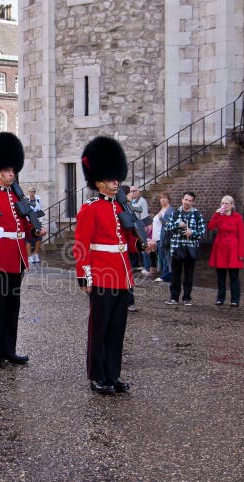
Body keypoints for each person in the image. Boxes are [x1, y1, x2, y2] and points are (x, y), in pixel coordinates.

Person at [74, 137, 144, 395]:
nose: (116, 183)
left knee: (117, 330)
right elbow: (81, 244)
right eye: (111, 179)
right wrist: (85, 275)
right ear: (99, 181)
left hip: (122, 274)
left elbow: (127, 241)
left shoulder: (122, 206)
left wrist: (141, 243)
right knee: (99, 328)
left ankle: (113, 375)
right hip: (102, 275)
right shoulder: (90, 209)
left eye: (117, 179)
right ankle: (97, 375)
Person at [0, 132, 46, 368]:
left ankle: (9, 348)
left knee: (13, 304)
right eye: (8, 171)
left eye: (13, 171)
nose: (12, 174)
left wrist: (36, 231)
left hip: (17, 256)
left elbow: (25, 224)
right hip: (0, 256)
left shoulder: (18, 197)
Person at [164, 192, 206, 305]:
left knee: (189, 275)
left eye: (190, 200)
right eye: (186, 199)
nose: (187, 202)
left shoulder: (197, 215)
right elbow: (167, 227)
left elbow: (202, 231)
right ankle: (174, 297)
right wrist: (178, 225)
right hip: (177, 248)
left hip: (190, 249)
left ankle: (187, 298)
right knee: (175, 275)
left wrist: (192, 232)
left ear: (193, 202)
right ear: (182, 199)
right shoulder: (175, 213)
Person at [208, 195, 244, 307]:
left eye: (227, 203)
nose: (224, 205)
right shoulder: (219, 215)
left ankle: (235, 299)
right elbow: (210, 227)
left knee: (234, 276)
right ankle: (220, 298)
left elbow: (241, 235)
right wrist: (216, 214)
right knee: (221, 276)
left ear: (232, 205)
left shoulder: (237, 217)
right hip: (220, 248)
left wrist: (241, 253)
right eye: (222, 203)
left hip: (233, 248)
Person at [152, 192, 174, 282]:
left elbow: (170, 225)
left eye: (165, 198)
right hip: (157, 237)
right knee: (161, 256)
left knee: (166, 256)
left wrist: (161, 218)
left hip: (164, 237)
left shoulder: (170, 210)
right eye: (161, 198)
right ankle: (165, 274)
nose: (163, 200)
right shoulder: (161, 209)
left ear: (169, 199)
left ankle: (166, 275)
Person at [24, 187, 44, 263]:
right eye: (30, 191)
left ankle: (35, 254)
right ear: (28, 192)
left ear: (35, 192)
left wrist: (41, 221)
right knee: (28, 238)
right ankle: (29, 256)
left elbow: (40, 209)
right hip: (29, 221)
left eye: (33, 191)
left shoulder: (38, 199)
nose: (32, 192)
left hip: (37, 221)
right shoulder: (26, 200)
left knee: (39, 237)